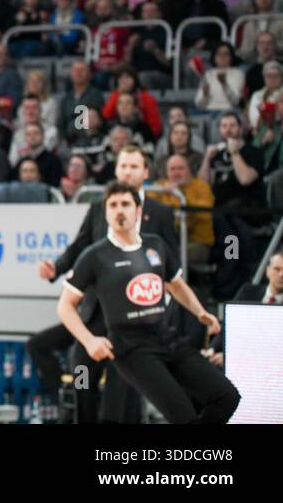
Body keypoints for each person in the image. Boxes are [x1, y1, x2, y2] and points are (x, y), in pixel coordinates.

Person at [58, 181, 240, 424]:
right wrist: (89, 340)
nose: (119, 210)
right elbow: (65, 305)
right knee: (184, 417)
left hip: (167, 336)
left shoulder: (156, 244)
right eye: (112, 205)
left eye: (125, 204)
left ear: (139, 212)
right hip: (131, 347)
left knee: (227, 397)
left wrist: (200, 312)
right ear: (106, 213)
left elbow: (175, 284)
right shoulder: (95, 255)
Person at [31, 144, 178, 422]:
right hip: (96, 311)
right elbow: (79, 246)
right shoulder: (100, 207)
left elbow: (173, 266)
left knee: (123, 394)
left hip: (138, 318)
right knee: (83, 379)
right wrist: (56, 269)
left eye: (134, 166)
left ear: (145, 172)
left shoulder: (160, 213)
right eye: (123, 165)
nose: (127, 171)